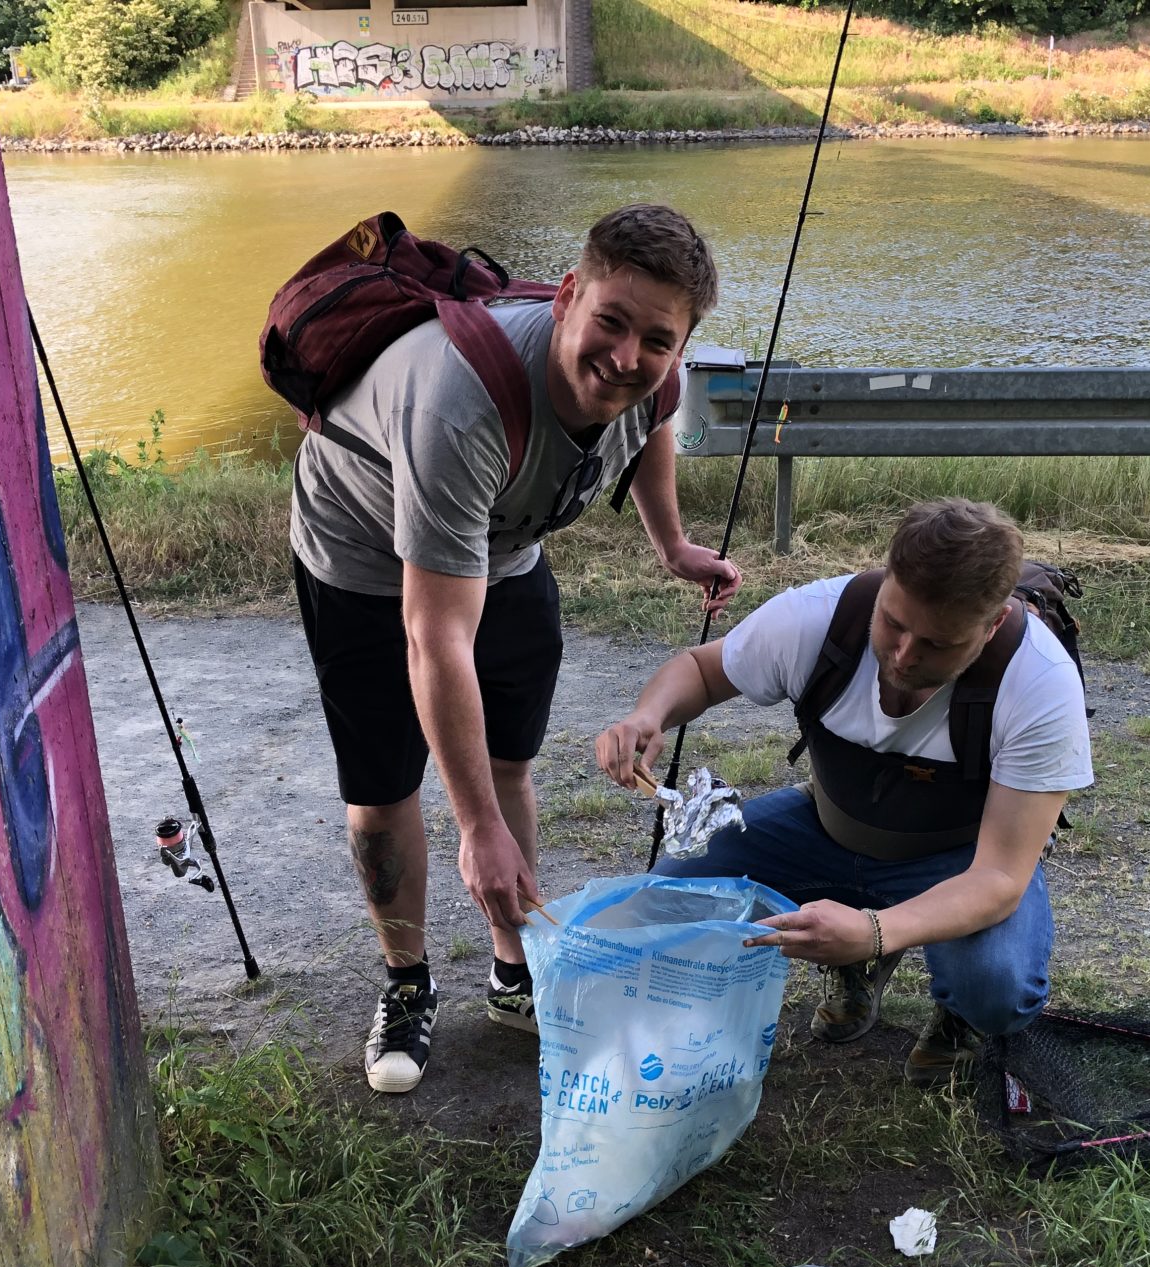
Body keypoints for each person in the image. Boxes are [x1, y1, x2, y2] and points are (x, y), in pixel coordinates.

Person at [292, 203, 740, 1094]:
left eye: (657, 338)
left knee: (509, 764)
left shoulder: (658, 378)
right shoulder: (462, 403)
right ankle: (408, 981)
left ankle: (513, 966)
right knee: (386, 787)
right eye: (609, 321)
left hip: (503, 548)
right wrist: (476, 831)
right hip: (364, 560)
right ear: (569, 294)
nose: (625, 356)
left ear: (680, 344)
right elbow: (436, 636)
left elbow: (651, 427)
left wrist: (672, 547)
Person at [595, 499, 1091, 1084]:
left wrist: (875, 933)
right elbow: (702, 671)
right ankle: (858, 953)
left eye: (937, 644)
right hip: (826, 826)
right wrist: (647, 714)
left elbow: (1000, 879)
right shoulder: (820, 617)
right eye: (895, 624)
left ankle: (956, 1013)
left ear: (992, 626)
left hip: (958, 861)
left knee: (998, 988)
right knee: (669, 904)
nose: (904, 656)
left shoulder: (1039, 682)